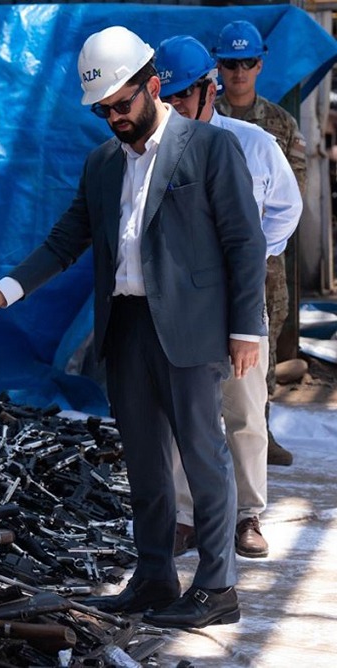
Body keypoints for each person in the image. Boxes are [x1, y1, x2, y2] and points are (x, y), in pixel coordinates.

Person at [0, 26, 267, 629]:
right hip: (125, 328)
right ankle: (151, 578)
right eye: (103, 110)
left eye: (123, 103)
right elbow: (64, 243)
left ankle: (218, 588)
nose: (114, 117)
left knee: (204, 457)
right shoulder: (101, 166)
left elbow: (245, 243)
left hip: (191, 331)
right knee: (143, 462)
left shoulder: (208, 149)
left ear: (152, 87)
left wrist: (247, 329)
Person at [155, 36, 302, 561]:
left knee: (243, 408)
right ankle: (186, 515)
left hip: (239, 298)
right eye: (163, 99)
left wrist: (257, 256)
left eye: (179, 98)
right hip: (181, 302)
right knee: (183, 413)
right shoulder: (156, 150)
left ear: (207, 90)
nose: (171, 109)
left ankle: (247, 515)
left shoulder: (255, 143)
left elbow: (287, 207)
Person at [213, 19, 308, 467]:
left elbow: (294, 194)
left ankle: (259, 432)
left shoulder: (280, 124)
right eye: (230, 64)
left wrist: (259, 250)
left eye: (246, 62)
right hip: (207, 260)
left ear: (260, 64)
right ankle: (211, 440)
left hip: (264, 262)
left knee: (261, 349)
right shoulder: (202, 116)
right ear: (218, 67)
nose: (238, 72)